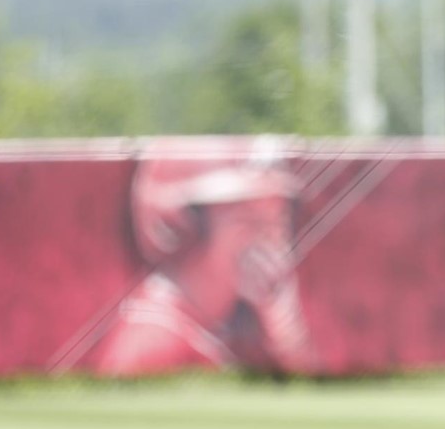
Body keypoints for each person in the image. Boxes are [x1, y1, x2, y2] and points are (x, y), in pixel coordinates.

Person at [85, 136, 315, 377]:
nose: (268, 242)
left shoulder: (233, 328)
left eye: (276, 222)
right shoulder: (155, 340)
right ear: (184, 227)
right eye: (248, 221)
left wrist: (284, 332)